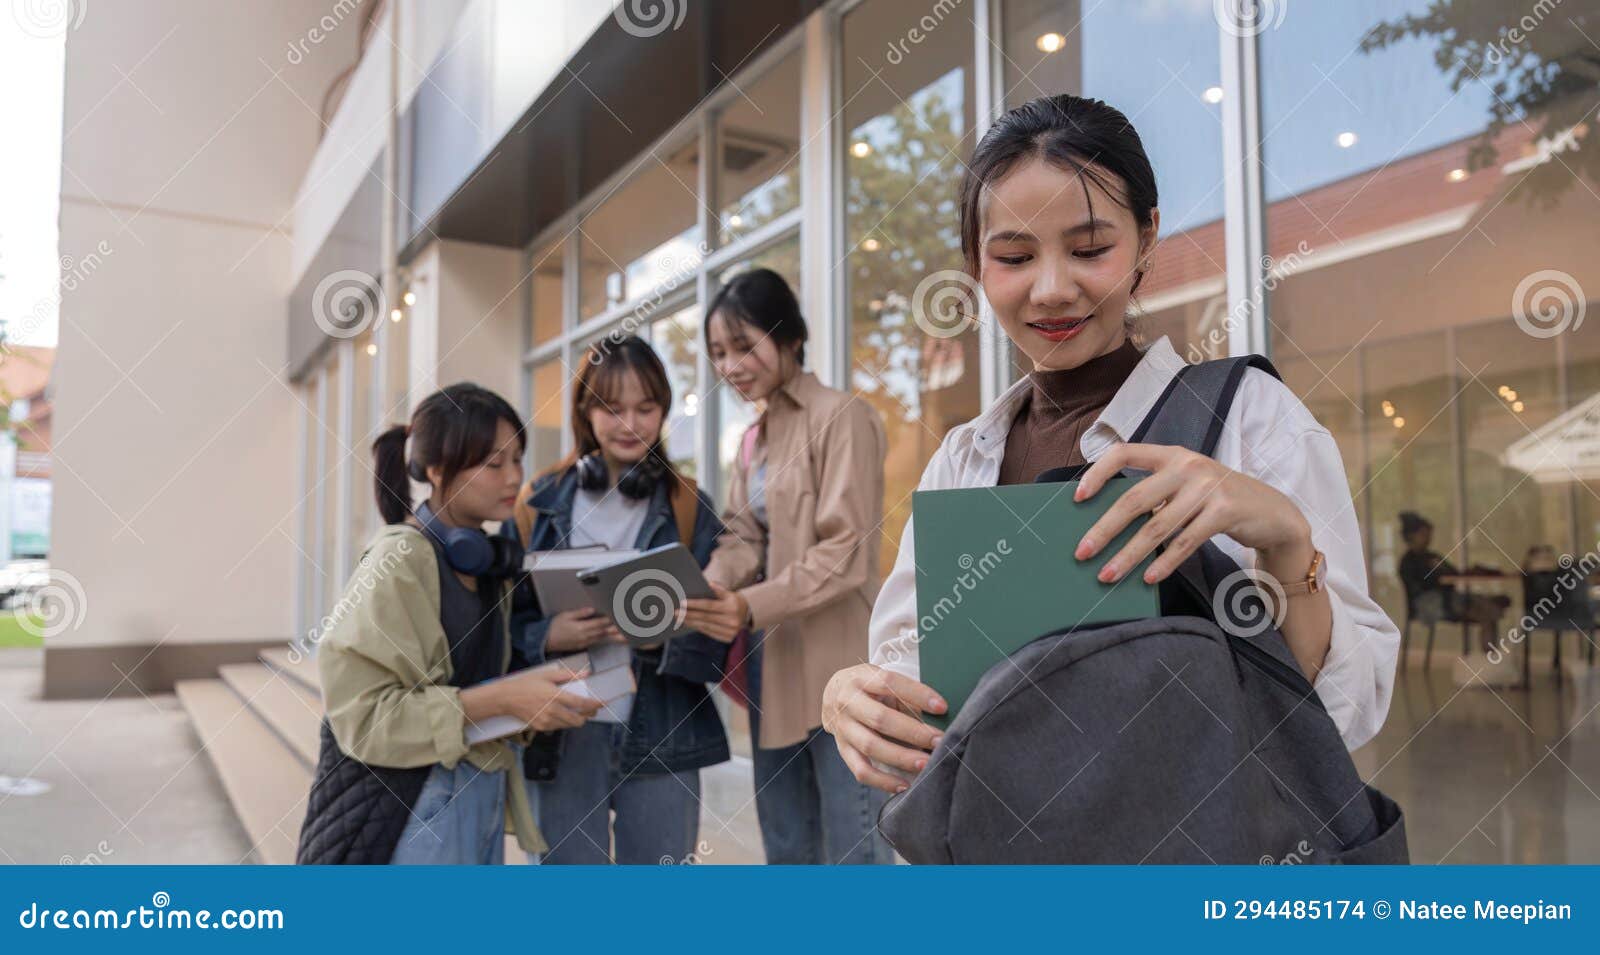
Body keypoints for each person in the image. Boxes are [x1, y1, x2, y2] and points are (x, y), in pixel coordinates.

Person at [821, 93, 1401, 794]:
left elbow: (1349, 707)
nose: (1053, 288)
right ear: (976, 264)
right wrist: (853, 698)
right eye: (1013, 255)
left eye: (1090, 248)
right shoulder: (965, 459)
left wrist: (1287, 542)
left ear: (1147, 237)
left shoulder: (1252, 419)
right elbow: (911, 672)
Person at [299, 383, 602, 865]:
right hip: (408, 807)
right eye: (493, 463)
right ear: (437, 470)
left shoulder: (486, 565)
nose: (513, 479)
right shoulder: (398, 560)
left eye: (518, 460)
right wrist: (502, 699)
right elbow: (363, 719)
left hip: (477, 796)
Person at [679, 267, 892, 865]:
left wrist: (746, 605)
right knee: (788, 848)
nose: (731, 365)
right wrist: (712, 584)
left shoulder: (842, 416)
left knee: (857, 850)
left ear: (790, 335)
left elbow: (846, 550)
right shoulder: (754, 439)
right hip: (774, 671)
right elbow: (745, 531)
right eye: (719, 353)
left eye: (744, 345)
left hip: (839, 667)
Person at [504, 336, 730, 865]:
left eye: (645, 408)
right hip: (563, 731)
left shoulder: (689, 503)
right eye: (611, 408)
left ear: (664, 410)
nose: (629, 423)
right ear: (585, 410)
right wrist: (547, 637)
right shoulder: (538, 500)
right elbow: (499, 625)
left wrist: (663, 635)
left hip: (663, 731)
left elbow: (721, 631)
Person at [1397, 510, 1509, 652]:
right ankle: (1488, 659)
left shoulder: (1432, 557)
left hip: (1448, 600)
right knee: (1486, 610)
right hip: (1432, 605)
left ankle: (1489, 657)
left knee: (1488, 609)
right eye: (1423, 534)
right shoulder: (1408, 562)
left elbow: (1453, 574)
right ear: (1411, 536)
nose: (1428, 538)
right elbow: (1426, 584)